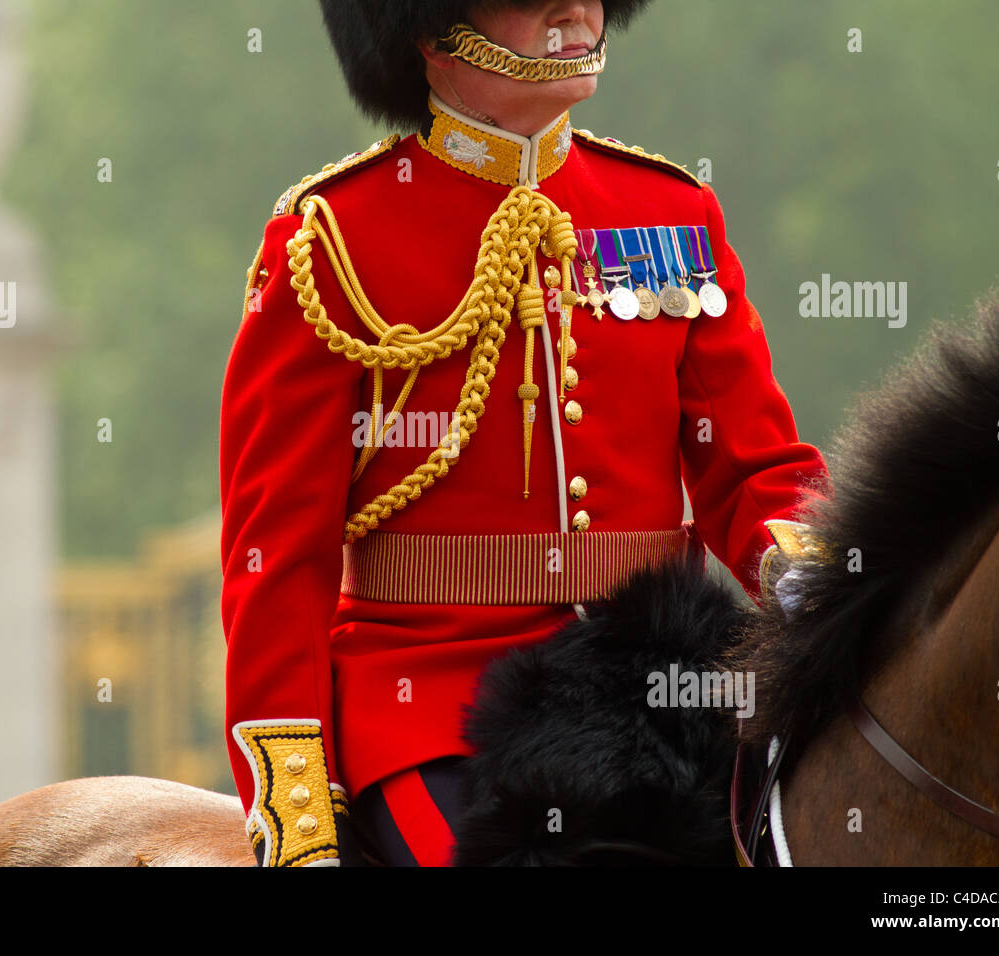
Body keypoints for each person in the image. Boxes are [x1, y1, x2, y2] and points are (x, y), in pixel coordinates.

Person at [218, 0, 828, 867]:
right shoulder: (333, 241)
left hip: (666, 696)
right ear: (430, 33)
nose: (576, 9)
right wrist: (294, 802)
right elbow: (278, 557)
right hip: (436, 712)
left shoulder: (668, 213)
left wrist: (821, 582)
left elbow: (754, 468)